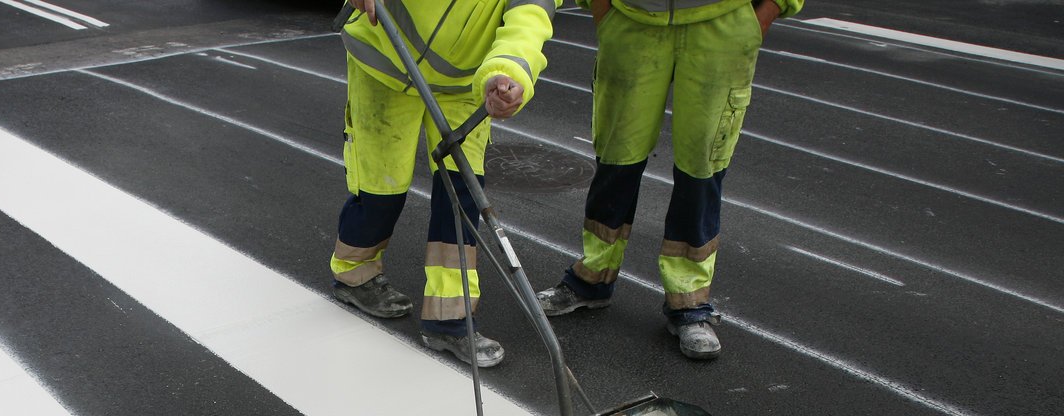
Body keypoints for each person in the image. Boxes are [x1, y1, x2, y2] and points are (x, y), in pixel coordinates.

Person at [536, 0, 800, 359]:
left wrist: (763, 15)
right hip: (630, 19)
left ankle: (688, 301)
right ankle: (593, 276)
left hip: (723, 25)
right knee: (616, 159)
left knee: (702, 169)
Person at [330, 0, 560, 368]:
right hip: (384, 61)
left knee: (462, 196)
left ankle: (449, 320)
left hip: (465, 85)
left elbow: (529, 19)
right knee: (381, 190)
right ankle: (355, 276)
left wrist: (511, 74)